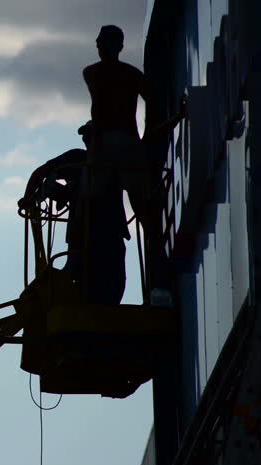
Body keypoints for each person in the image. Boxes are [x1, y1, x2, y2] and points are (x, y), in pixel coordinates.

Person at [83, 25, 179, 307]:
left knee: (90, 211)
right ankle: (158, 278)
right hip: (127, 145)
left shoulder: (93, 73)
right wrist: (155, 132)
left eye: (101, 41)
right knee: (145, 217)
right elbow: (155, 102)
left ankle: (92, 275)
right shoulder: (131, 76)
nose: (99, 45)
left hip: (105, 149)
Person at [19, 122, 129, 305]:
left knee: (108, 280)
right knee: (80, 273)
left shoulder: (112, 163)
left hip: (108, 232)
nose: (87, 141)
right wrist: (28, 197)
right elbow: (42, 172)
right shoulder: (79, 159)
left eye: (91, 137)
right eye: (87, 138)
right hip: (85, 234)